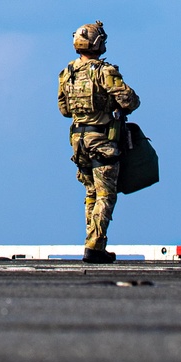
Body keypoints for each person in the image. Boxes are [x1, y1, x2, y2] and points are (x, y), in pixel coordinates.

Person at [58, 20, 140, 264]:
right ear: (97, 43)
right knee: (106, 194)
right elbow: (129, 101)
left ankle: (91, 241)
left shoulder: (67, 73)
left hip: (78, 141)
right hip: (102, 140)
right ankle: (95, 246)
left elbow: (64, 109)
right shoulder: (104, 71)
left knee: (91, 192)